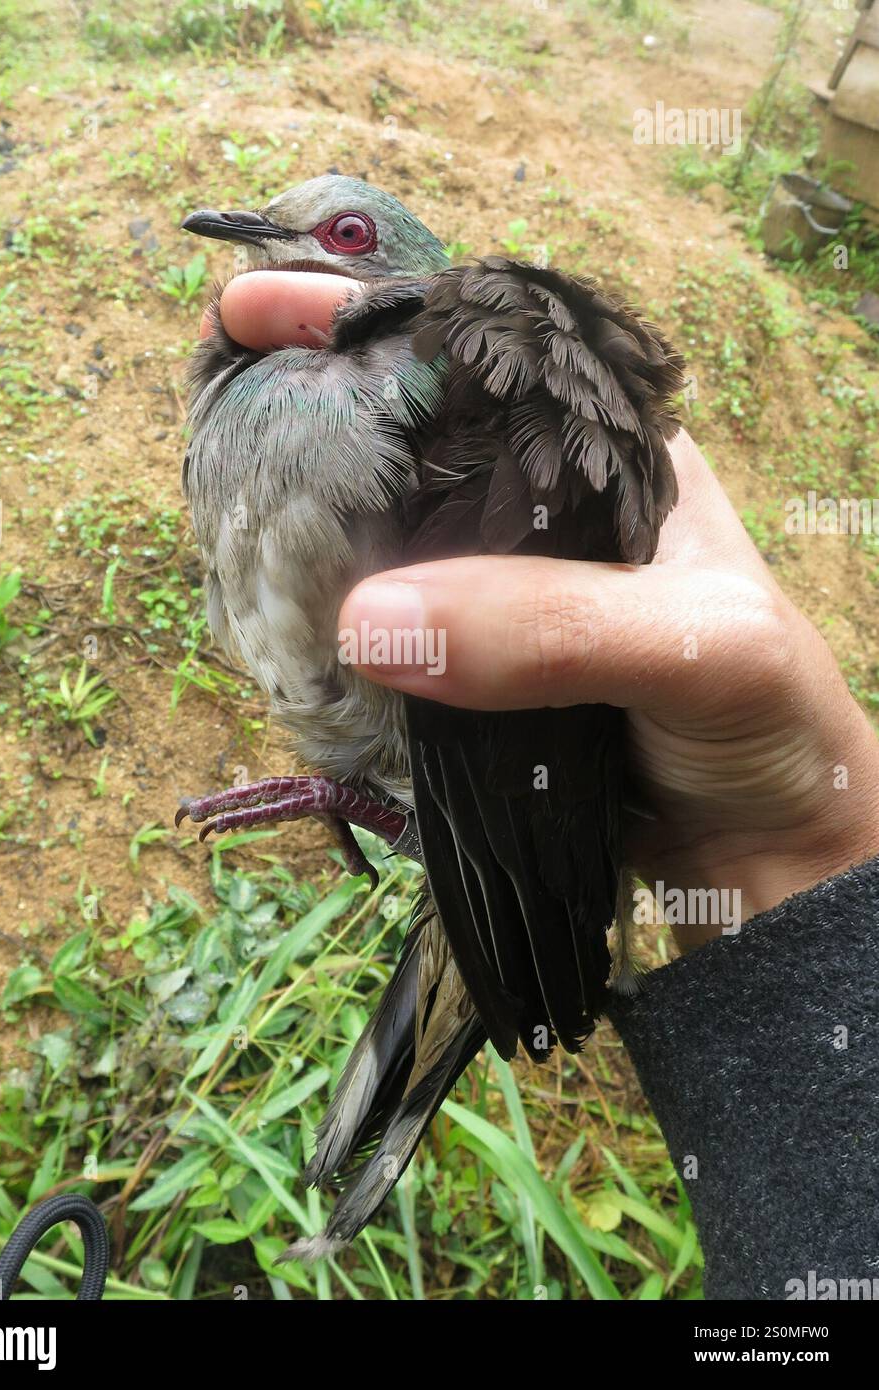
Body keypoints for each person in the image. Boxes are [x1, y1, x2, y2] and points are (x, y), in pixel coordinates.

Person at [202, 270, 879, 1299]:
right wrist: (787, 850)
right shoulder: (400, 382)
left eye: (343, 240)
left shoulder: (479, 377)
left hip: (515, 805)